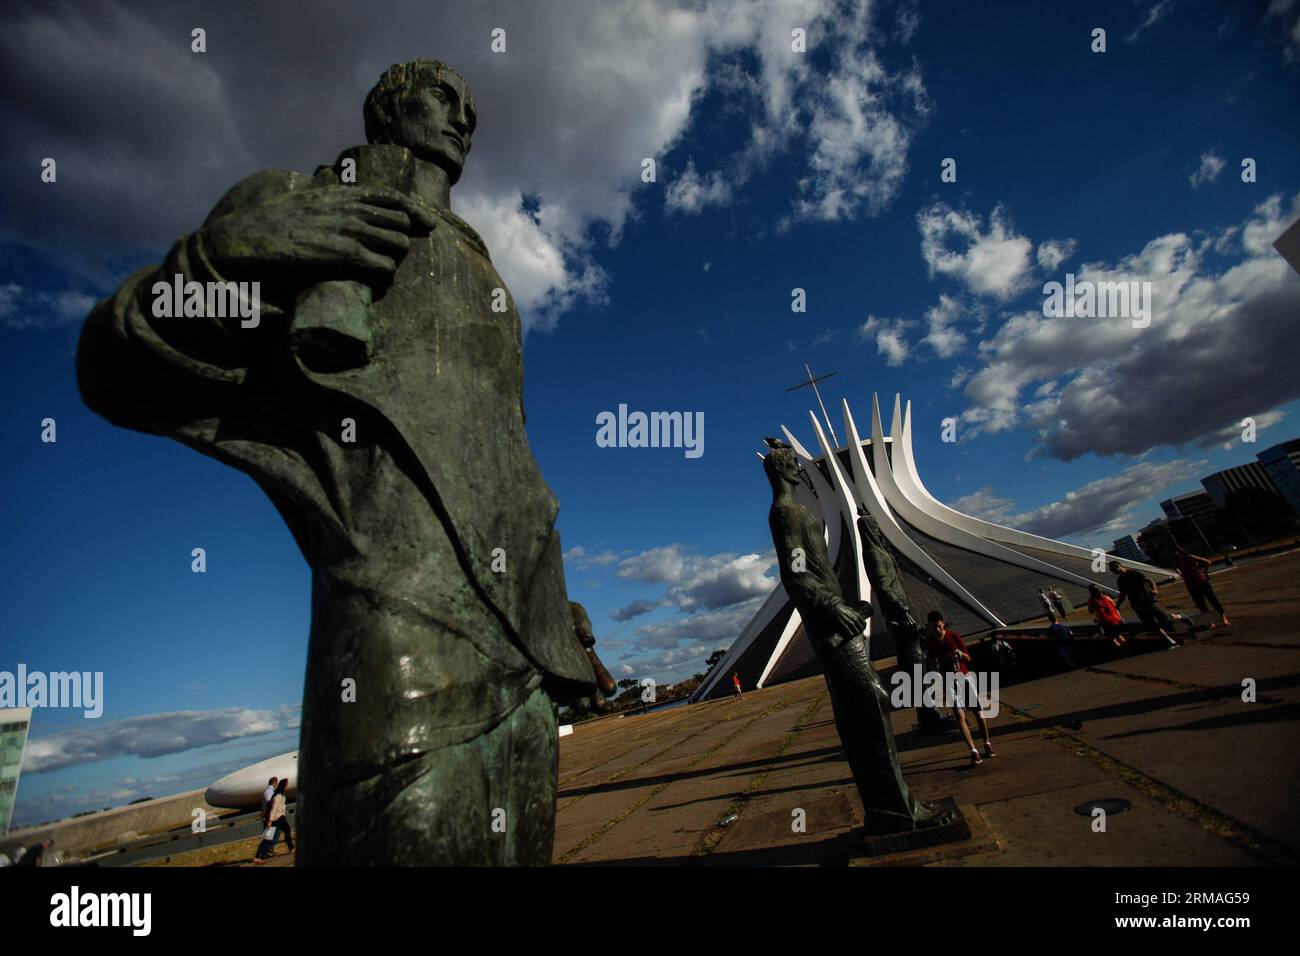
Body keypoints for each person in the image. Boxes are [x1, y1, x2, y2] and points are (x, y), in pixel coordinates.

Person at [924, 611, 995, 766]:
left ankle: (987, 742)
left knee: (977, 711)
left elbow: (968, 658)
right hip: (948, 680)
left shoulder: (954, 636)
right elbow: (931, 660)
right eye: (933, 627)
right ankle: (973, 751)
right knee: (959, 714)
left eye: (938, 626)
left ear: (943, 623)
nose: (937, 629)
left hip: (963, 676)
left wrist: (959, 653)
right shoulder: (930, 642)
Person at [1109, 561, 1181, 648]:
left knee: (1164, 618)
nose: (1113, 572)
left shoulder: (1133, 573)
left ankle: (1179, 616)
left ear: (1118, 566)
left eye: (1113, 569)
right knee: (1151, 625)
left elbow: (1150, 580)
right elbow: (1123, 594)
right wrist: (1118, 604)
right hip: (1137, 605)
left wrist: (1154, 590)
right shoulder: (1120, 581)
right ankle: (1170, 641)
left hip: (1148, 600)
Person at [1172, 546, 1230, 627]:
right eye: (1174, 553)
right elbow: (1175, 568)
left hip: (1201, 581)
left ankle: (1223, 618)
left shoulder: (1189, 557)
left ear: (1180, 551)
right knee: (1200, 604)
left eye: (1176, 552)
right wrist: (1181, 575)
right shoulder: (1176, 562)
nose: (1175, 554)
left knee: (1213, 600)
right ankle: (1210, 622)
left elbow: (1207, 562)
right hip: (1191, 584)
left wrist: (1205, 572)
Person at [1087, 584, 1131, 657]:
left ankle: (1123, 654)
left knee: (1111, 639)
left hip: (1105, 622)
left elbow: (1091, 611)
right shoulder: (1107, 598)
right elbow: (1115, 608)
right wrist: (1120, 618)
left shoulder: (1092, 600)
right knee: (1118, 635)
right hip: (1115, 619)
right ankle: (1128, 651)